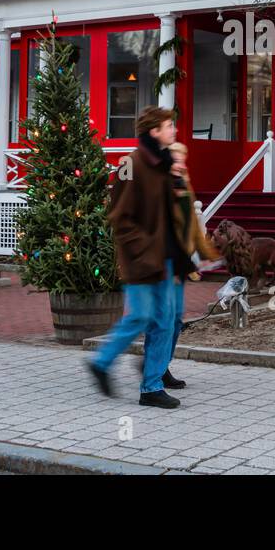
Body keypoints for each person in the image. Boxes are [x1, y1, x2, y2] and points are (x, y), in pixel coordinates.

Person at [87, 106, 190, 408]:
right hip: (142, 259)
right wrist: (145, 249)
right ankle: (102, 362)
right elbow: (120, 217)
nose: (174, 130)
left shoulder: (165, 164)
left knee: (166, 321)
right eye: (169, 125)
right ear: (154, 131)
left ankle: (151, 387)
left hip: (167, 258)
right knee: (142, 316)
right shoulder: (131, 165)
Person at [165, 142, 220, 379]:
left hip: (181, 264)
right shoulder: (162, 189)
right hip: (165, 262)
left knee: (176, 319)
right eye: (175, 159)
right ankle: (153, 369)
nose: (180, 164)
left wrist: (208, 256)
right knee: (164, 319)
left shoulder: (185, 186)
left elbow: (194, 230)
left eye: (182, 159)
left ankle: (161, 365)